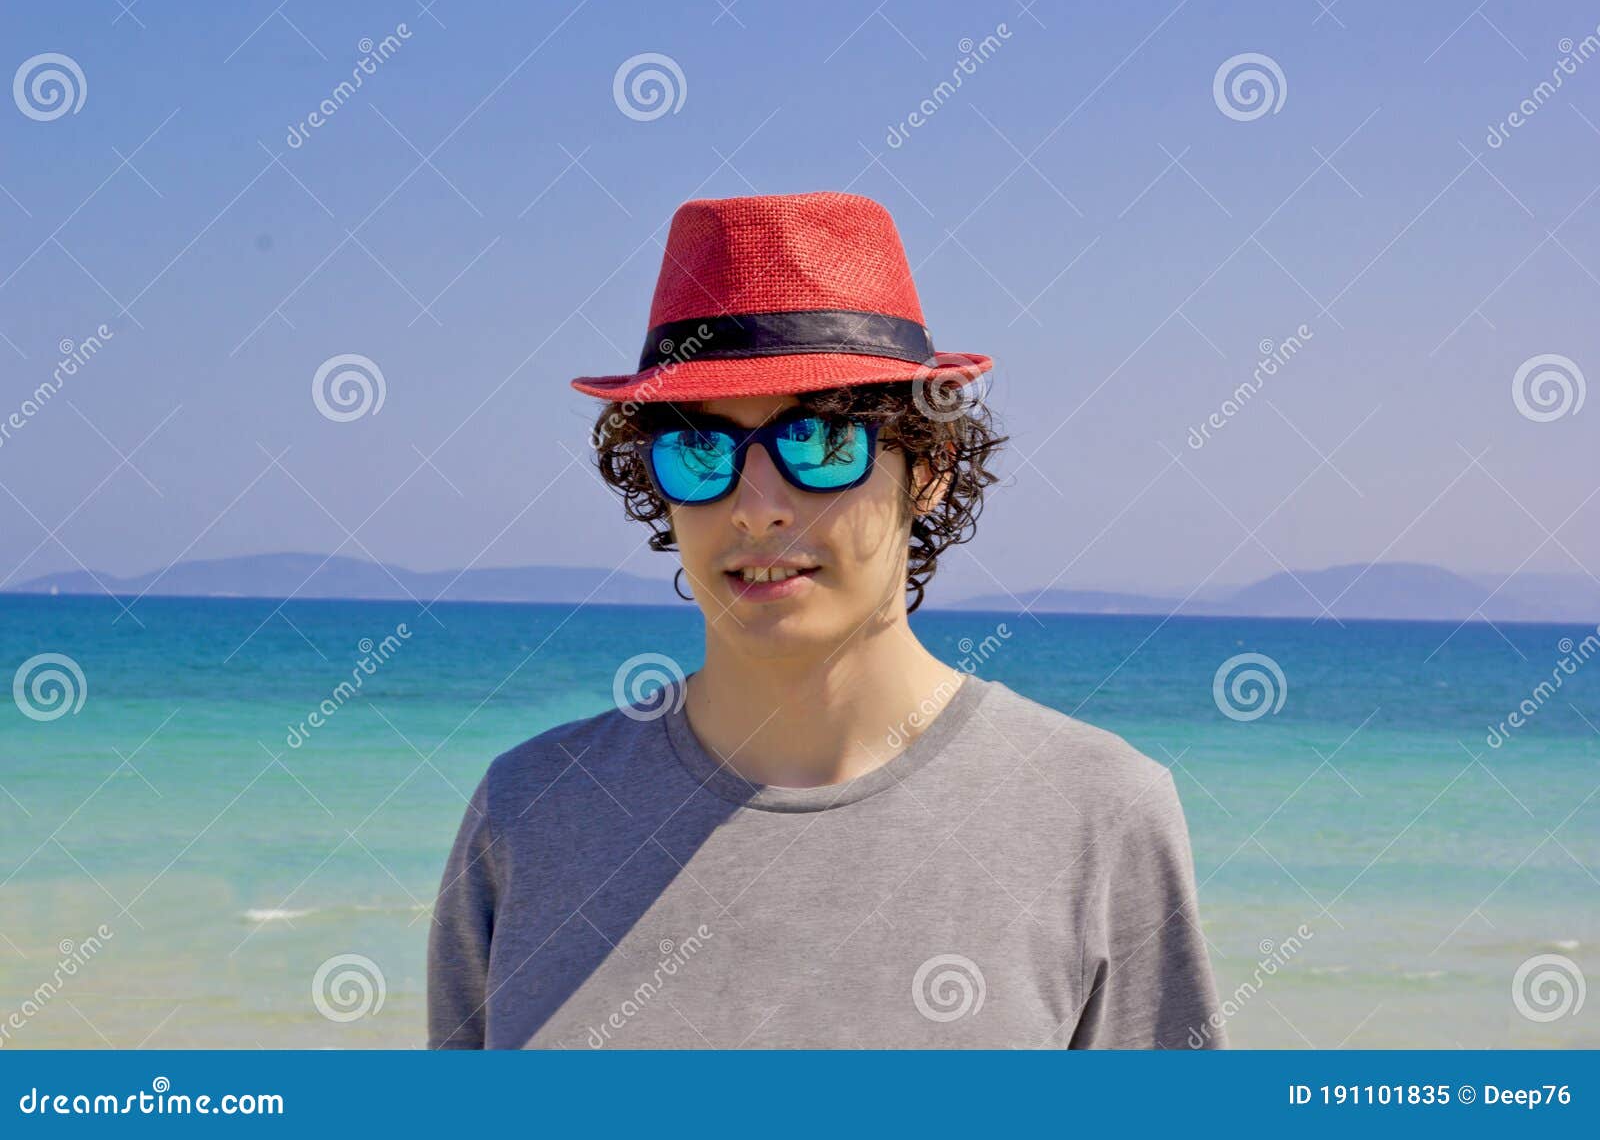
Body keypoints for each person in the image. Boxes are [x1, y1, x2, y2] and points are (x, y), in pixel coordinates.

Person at [426, 191, 1226, 1049]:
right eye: (701, 447)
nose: (757, 506)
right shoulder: (531, 813)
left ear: (930, 467)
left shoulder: (1099, 814)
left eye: (821, 442)